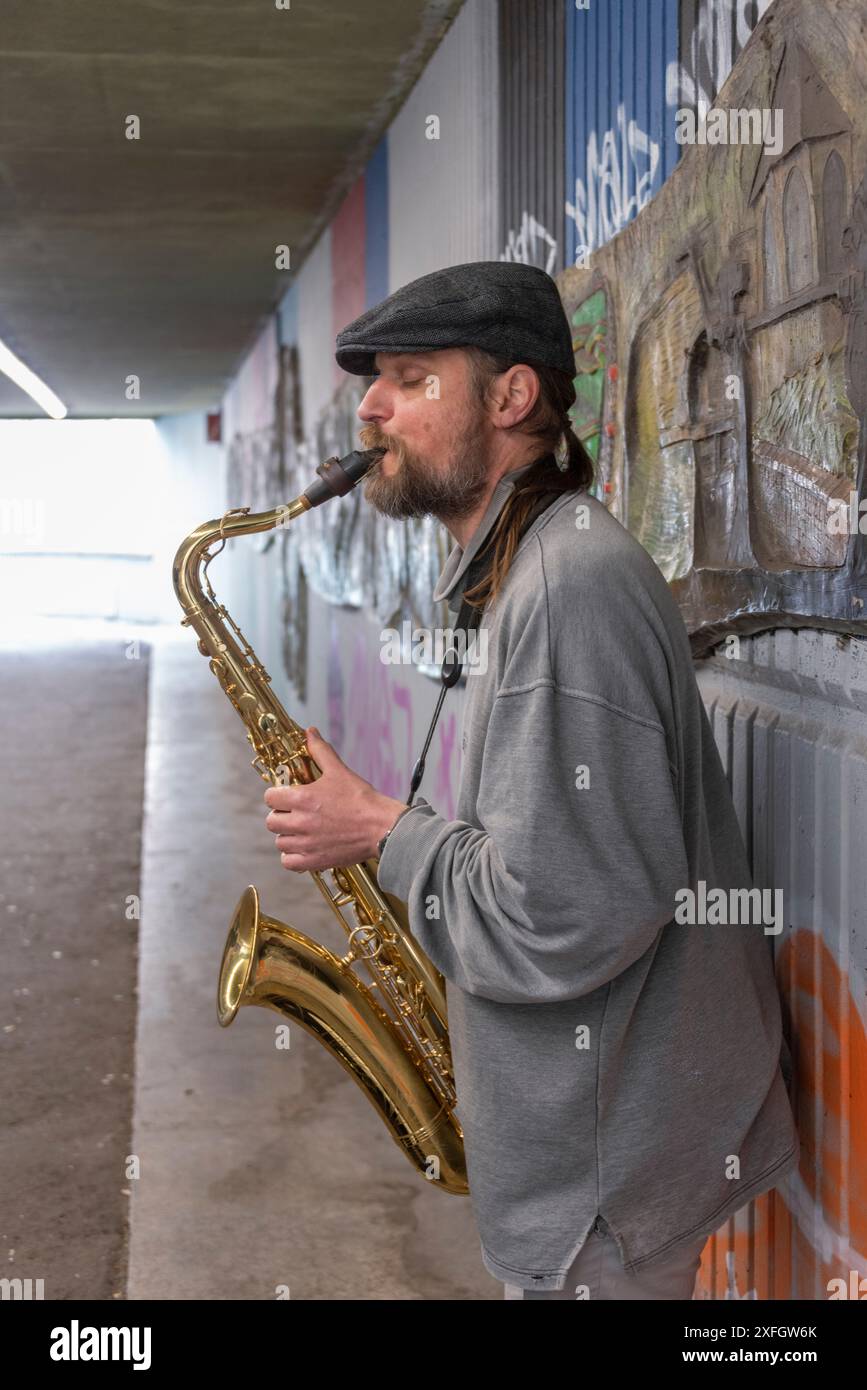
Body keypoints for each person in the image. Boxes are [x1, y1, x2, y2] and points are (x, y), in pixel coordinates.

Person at [263, 260, 799, 1300]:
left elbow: (563, 913)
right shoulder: (539, 567)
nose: (370, 408)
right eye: (376, 384)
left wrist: (383, 831)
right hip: (597, 1157)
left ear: (512, 397)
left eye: (410, 380)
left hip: (601, 1188)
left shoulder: (563, 590)